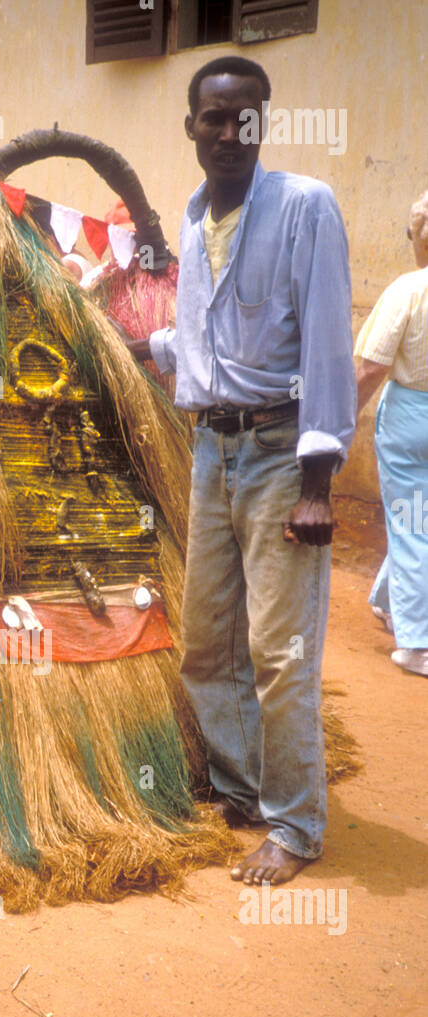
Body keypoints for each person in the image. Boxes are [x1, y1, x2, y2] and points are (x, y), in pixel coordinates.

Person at [127, 56, 356, 885]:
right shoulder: (192, 221)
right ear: (191, 127)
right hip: (209, 452)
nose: (229, 133)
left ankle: (295, 827)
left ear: (265, 121)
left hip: (279, 454)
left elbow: (327, 344)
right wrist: (135, 348)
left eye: (245, 117)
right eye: (213, 118)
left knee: (280, 649)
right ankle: (241, 786)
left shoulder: (304, 208)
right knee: (207, 644)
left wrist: (318, 484)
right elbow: (204, 341)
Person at [353, 191, 428, 678]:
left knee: (411, 522)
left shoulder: (409, 289)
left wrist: (338, 424)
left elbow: (372, 367)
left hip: (408, 416)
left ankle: (416, 644)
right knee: (416, 519)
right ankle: (387, 599)